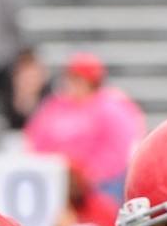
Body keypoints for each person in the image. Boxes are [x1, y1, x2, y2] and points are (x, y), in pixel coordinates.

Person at [22, 52, 145, 201]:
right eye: (72, 78)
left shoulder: (112, 107)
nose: (74, 83)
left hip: (100, 183)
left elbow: (118, 149)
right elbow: (36, 142)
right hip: (61, 178)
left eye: (79, 78)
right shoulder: (55, 106)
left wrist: (90, 175)